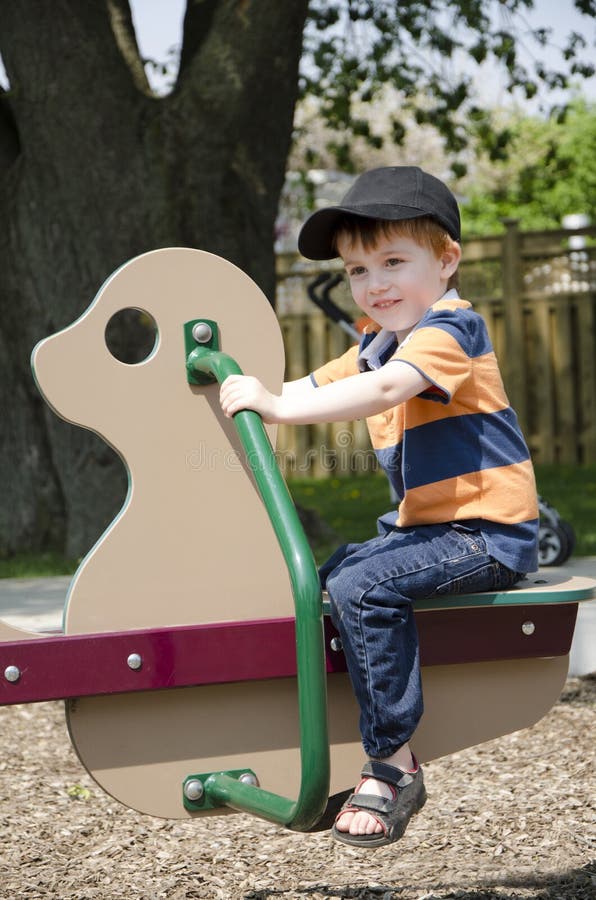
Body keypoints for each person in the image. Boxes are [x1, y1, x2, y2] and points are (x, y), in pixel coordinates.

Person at [219, 166, 539, 848]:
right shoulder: (377, 339)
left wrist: (274, 405)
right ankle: (340, 731)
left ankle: (393, 765)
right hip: (434, 530)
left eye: (394, 261)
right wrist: (250, 396)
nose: (375, 284)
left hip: (486, 535)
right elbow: (307, 385)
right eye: (359, 270)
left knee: (362, 586)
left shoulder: (453, 330)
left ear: (446, 260)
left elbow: (385, 389)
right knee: (329, 574)